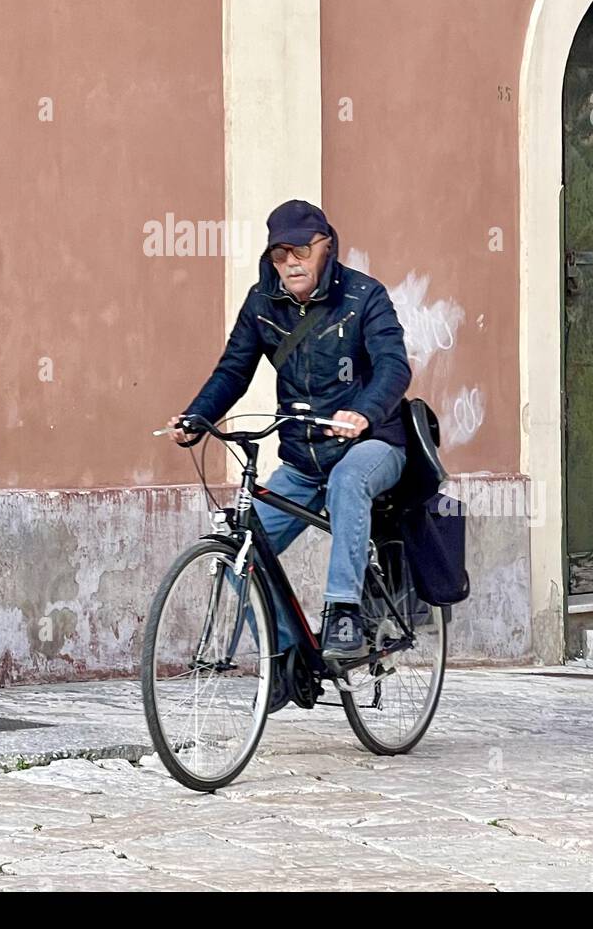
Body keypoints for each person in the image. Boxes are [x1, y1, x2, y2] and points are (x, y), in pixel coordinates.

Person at [169, 200, 412, 711]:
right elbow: (233, 370)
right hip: (303, 460)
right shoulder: (263, 303)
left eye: (302, 249)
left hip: (372, 445)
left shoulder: (365, 297)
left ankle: (343, 611)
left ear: (326, 247)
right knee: (240, 550)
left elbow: (394, 367)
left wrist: (363, 413)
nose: (292, 262)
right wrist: (195, 417)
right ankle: (284, 656)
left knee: (349, 479)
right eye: (280, 253)